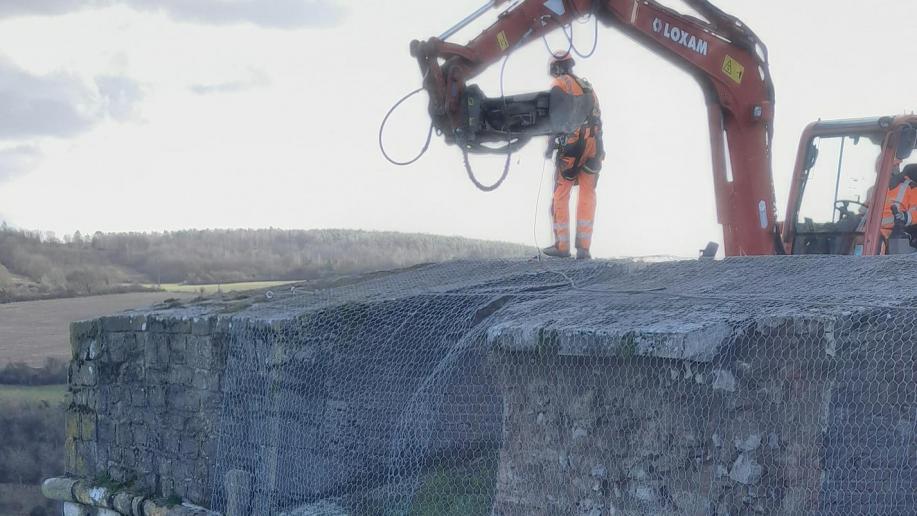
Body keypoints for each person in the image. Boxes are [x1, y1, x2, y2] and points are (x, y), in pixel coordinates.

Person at [541, 52, 605, 260]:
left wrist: (550, 146)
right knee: (588, 193)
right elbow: (597, 117)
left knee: (561, 192)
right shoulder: (588, 87)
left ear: (556, 68)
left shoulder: (559, 85)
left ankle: (562, 246)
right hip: (594, 145)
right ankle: (584, 249)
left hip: (572, 145)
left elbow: (555, 119)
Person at [881, 163, 917, 239]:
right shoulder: (875, 188)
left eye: (896, 165)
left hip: (888, 236)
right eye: (895, 165)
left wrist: (905, 216)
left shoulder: (912, 188)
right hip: (878, 234)